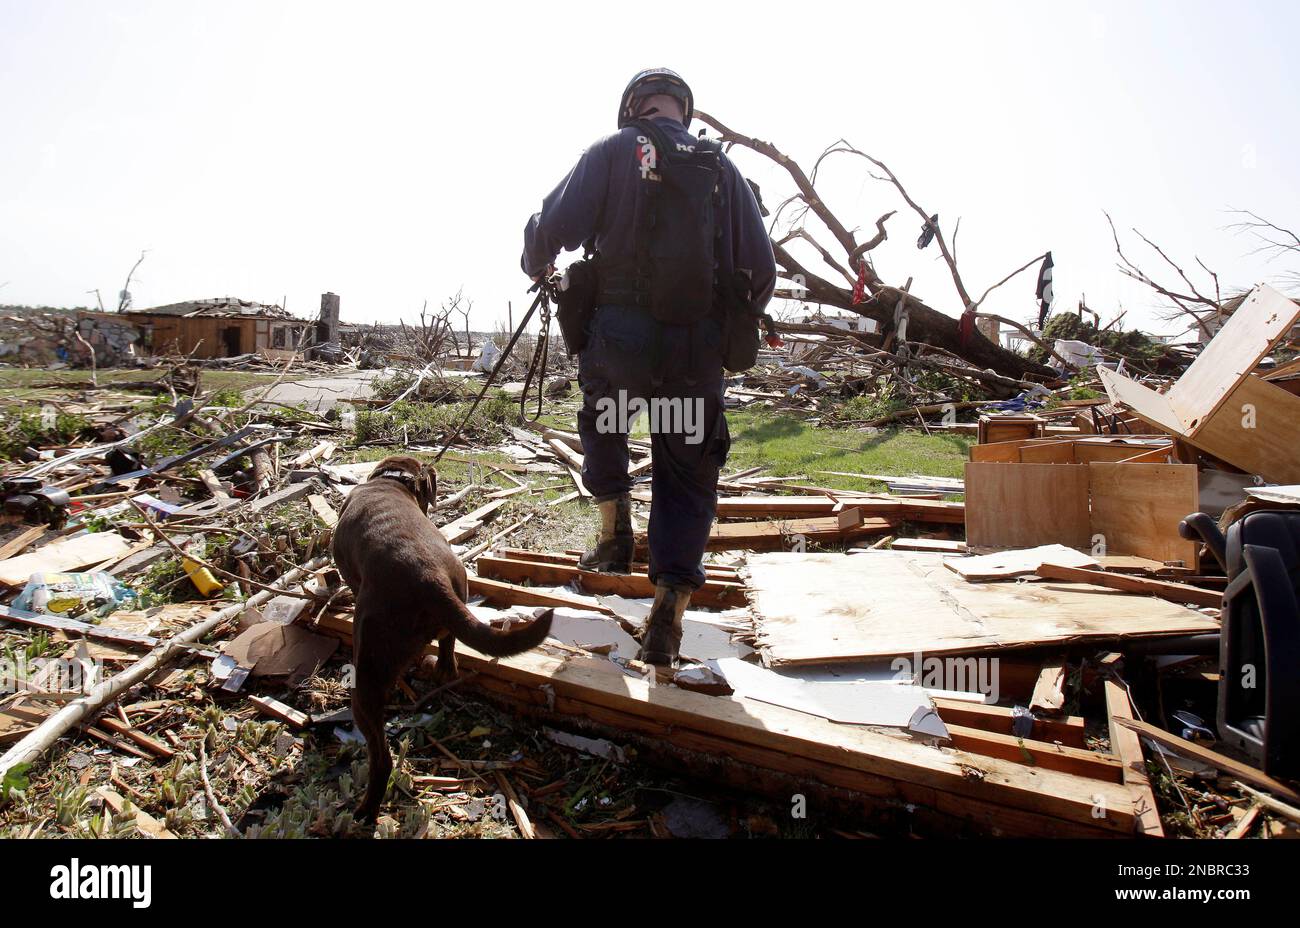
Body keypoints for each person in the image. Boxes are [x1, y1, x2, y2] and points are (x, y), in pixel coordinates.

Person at [521, 68, 775, 665]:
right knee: (688, 468)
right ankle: (668, 612)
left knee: (606, 423)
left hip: (620, 345)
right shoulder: (721, 167)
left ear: (633, 107)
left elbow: (550, 227)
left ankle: (613, 538)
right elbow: (759, 271)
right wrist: (718, 324)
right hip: (693, 352)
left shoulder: (612, 151)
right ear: (682, 112)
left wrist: (537, 262)